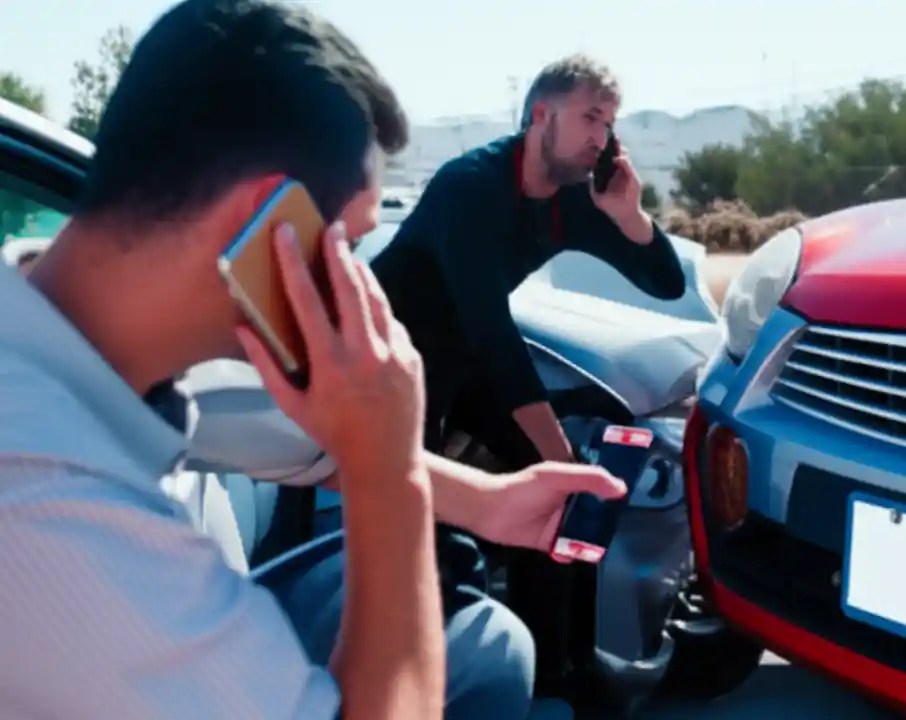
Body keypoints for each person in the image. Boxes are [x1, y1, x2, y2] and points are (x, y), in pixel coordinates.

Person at [0, 3, 622, 718]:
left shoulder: (84, 335)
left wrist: (490, 502)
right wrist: (391, 482)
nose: (354, 286)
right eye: (346, 247)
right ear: (262, 229)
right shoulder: (48, 504)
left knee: (487, 639)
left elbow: (299, 445)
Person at [370, 53, 687, 702]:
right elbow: (493, 332)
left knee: (571, 489)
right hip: (392, 367)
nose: (601, 136)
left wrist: (629, 215)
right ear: (540, 114)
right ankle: (430, 683)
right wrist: (557, 454)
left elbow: (667, 281)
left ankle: (560, 668)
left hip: (463, 365)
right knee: (455, 518)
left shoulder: (572, 202)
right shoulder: (471, 186)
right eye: (589, 117)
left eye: (610, 123)